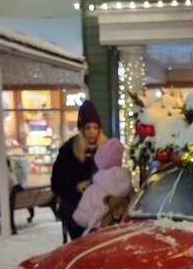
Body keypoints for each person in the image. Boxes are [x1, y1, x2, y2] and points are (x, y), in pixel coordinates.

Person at [50, 99, 107, 241]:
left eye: (95, 127)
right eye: (87, 127)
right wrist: (76, 186)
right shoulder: (68, 151)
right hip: (76, 210)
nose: (91, 132)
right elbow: (56, 183)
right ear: (81, 129)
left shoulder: (106, 149)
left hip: (102, 210)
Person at [72, 137, 134, 234]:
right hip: (125, 234)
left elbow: (82, 219)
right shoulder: (129, 188)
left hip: (99, 237)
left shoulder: (93, 190)